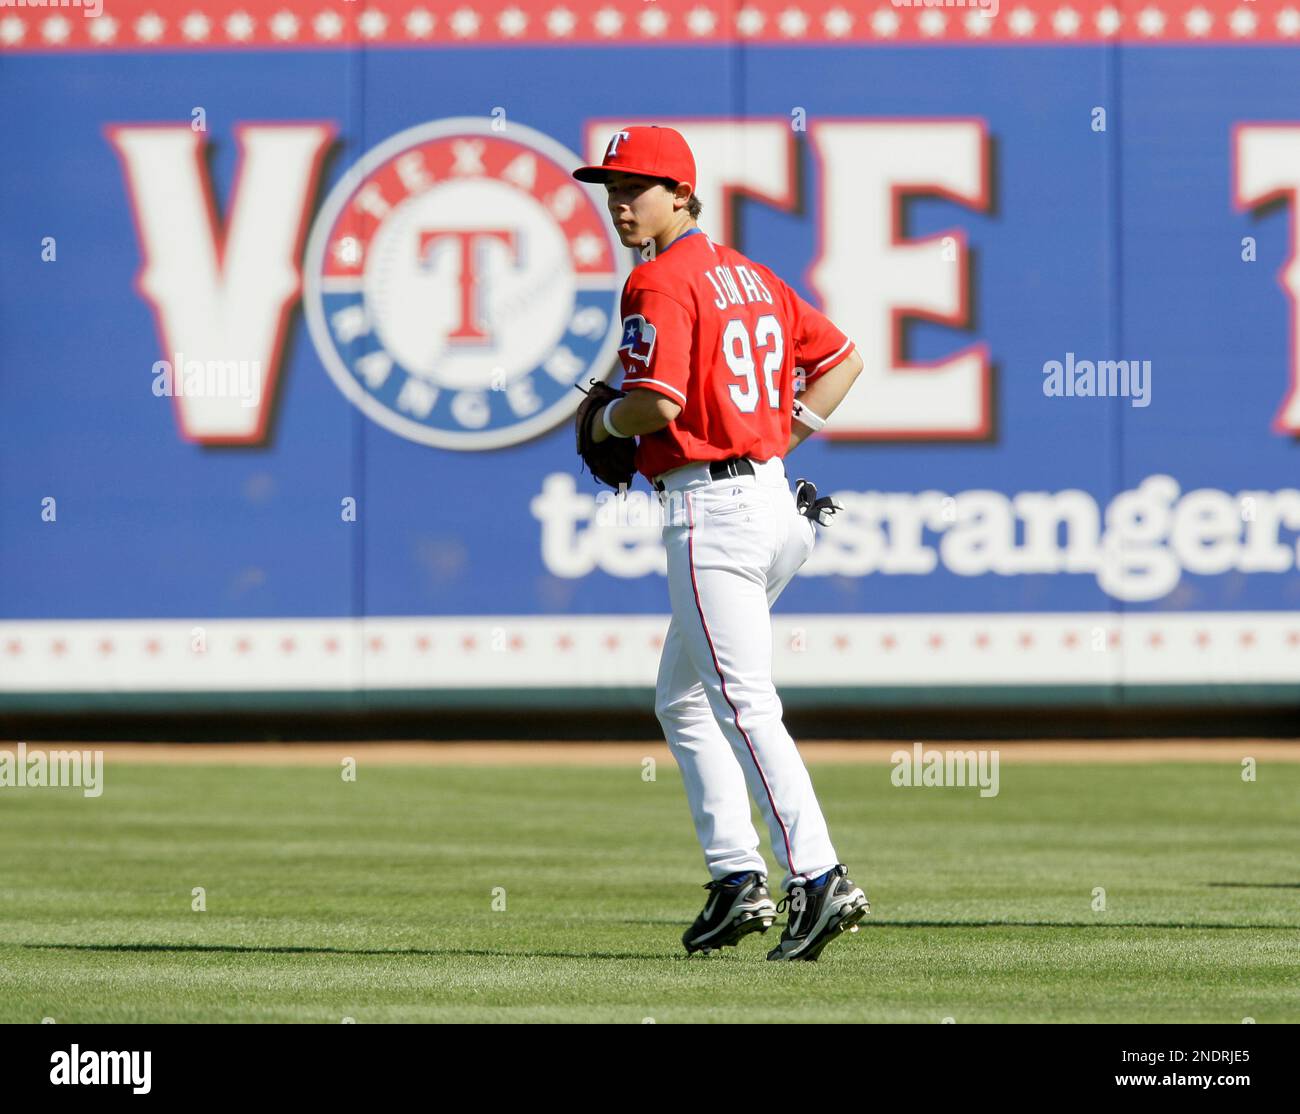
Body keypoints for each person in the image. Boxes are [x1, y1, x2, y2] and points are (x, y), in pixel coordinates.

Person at [572, 126, 869, 961]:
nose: (620, 202)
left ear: (681, 194)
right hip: (772, 502)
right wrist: (782, 435)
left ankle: (818, 876)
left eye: (637, 186)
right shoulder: (753, 275)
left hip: (714, 516)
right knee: (683, 698)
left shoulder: (658, 280)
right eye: (611, 186)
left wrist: (602, 416)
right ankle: (738, 880)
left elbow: (656, 406)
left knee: (742, 705)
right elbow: (843, 362)